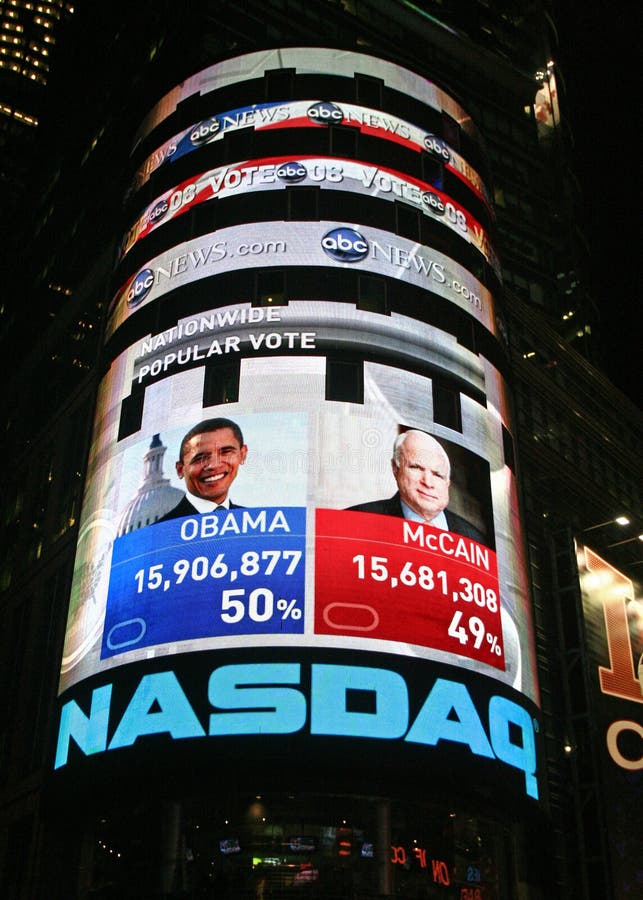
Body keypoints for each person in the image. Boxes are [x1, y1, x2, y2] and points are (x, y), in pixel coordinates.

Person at [348, 429, 486, 542]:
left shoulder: (475, 538)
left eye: (438, 475)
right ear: (396, 468)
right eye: (416, 468)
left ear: (447, 483)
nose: (428, 482)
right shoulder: (356, 521)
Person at [158, 417, 247, 521]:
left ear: (242, 454)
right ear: (180, 469)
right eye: (199, 458)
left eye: (225, 452)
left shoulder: (254, 524)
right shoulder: (161, 530)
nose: (213, 465)